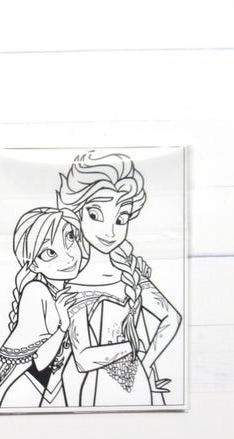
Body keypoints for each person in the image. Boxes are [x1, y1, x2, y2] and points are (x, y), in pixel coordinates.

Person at [56, 150, 182, 407]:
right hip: (96, 390)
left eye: (121, 219)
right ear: (76, 214)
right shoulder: (74, 286)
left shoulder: (130, 273)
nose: (110, 231)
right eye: (95, 215)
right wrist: (132, 349)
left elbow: (172, 318)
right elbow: (82, 360)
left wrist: (145, 362)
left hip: (136, 385)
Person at [0, 207, 134, 408]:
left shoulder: (70, 295)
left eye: (70, 238)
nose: (68, 256)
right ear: (33, 264)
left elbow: (83, 359)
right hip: (25, 389)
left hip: (55, 393)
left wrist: (129, 346)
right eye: (50, 252)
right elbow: (39, 362)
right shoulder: (36, 291)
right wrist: (63, 326)